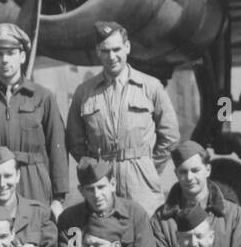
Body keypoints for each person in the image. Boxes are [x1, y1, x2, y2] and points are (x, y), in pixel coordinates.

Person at [65, 21, 180, 215]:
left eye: (117, 49)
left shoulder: (151, 87)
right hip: (102, 187)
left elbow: (170, 136)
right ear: (97, 51)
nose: (111, 56)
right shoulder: (84, 93)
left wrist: (148, 167)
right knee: (105, 239)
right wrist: (96, 171)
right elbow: (75, 143)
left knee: (145, 239)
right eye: (105, 51)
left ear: (127, 47)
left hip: (142, 184)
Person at [0, 23, 69, 212]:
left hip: (33, 183)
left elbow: (57, 148)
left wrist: (59, 198)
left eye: (11, 53)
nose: (5, 59)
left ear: (22, 56)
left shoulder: (43, 97)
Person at [147, 140, 241, 247]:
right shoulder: (161, 220)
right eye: (183, 172)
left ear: (207, 170)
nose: (189, 178)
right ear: (176, 174)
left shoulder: (233, 214)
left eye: (195, 170)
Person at [55, 157, 156, 247]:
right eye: (90, 189)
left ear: (112, 184)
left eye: (101, 187)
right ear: (81, 191)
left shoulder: (135, 214)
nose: (97, 195)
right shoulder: (71, 220)